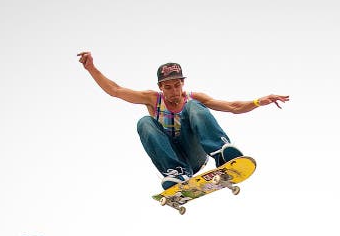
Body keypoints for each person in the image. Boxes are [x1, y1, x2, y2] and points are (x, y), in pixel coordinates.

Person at [77, 53, 289, 188]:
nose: (173, 92)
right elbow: (116, 91)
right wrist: (92, 69)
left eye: (177, 85)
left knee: (194, 106)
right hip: (172, 157)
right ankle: (176, 172)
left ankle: (221, 153)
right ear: (161, 87)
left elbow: (233, 107)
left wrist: (258, 101)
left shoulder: (192, 98)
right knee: (144, 122)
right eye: (168, 87)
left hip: (195, 153)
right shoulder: (153, 99)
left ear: (182, 83)